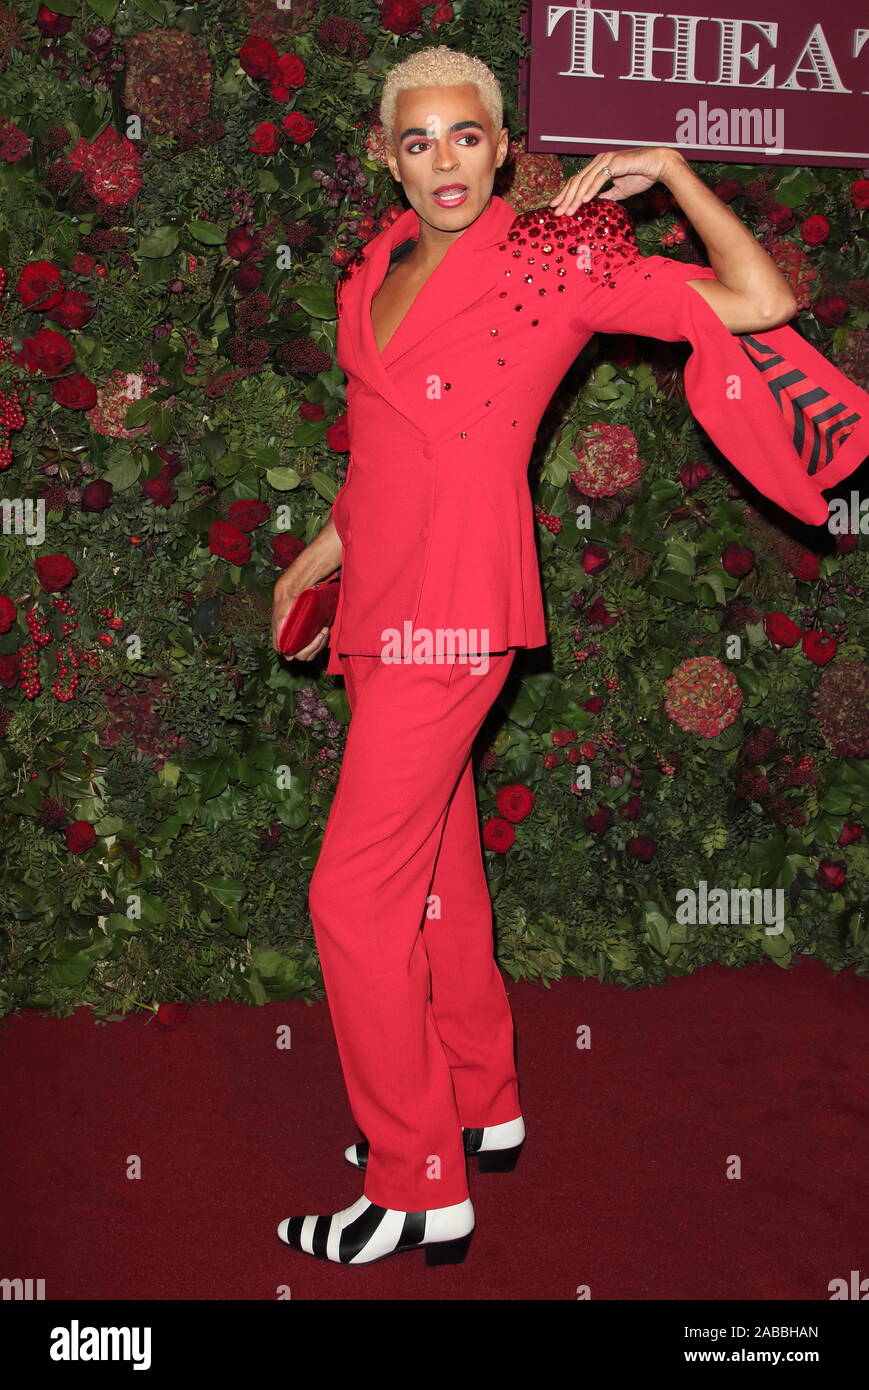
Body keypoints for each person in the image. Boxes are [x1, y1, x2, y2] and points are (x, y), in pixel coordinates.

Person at [271, 45, 869, 1267]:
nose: (445, 161)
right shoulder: (370, 269)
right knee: (433, 869)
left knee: (349, 896)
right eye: (419, 141)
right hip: (376, 601)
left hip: (455, 612)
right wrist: (323, 546)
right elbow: (380, 435)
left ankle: (414, 1181)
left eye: (467, 136)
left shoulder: (555, 258)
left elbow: (757, 302)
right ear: (388, 158)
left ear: (502, 147)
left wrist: (674, 172)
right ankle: (479, 1105)